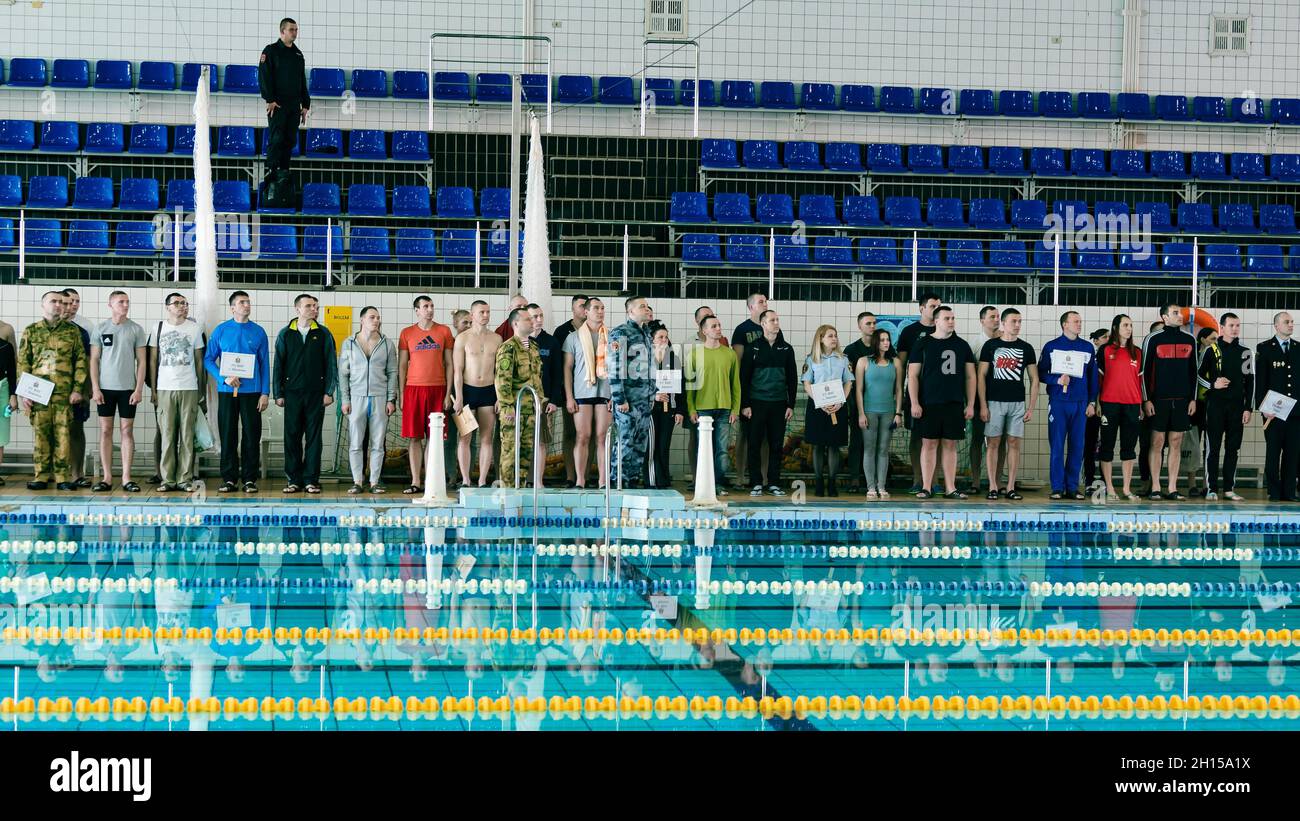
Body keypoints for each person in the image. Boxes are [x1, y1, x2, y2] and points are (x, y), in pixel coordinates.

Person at [18, 292, 86, 491]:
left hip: (64, 395)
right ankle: (41, 475)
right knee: (41, 436)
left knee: (63, 436)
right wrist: (24, 392)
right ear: (43, 305)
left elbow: (80, 361)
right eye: (53, 301)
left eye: (60, 302)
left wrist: (77, 389)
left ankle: (62, 477)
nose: (58, 305)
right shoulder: (31, 331)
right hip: (38, 394)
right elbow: (23, 363)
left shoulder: (72, 332)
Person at [204, 291, 270, 494]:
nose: (246, 305)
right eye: (242, 302)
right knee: (228, 434)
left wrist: (265, 392)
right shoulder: (221, 330)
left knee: (251, 435)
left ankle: (250, 478)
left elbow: (264, 364)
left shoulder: (258, 332)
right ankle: (229, 478)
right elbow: (208, 359)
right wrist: (223, 378)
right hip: (227, 391)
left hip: (252, 392)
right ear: (232, 307)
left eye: (248, 302)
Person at [907, 306, 974, 499]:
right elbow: (912, 375)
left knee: (950, 444)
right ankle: (926, 486)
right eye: (947, 318)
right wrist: (914, 402)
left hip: (953, 402)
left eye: (953, 318)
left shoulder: (962, 345)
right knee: (928, 444)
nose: (951, 321)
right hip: (929, 402)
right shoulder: (923, 344)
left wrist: (970, 404)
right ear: (936, 321)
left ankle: (950, 487)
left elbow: (970, 377)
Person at [272, 294, 336, 494]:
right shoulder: (285, 333)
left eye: (316, 306)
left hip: (316, 394)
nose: (314, 309)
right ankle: (293, 479)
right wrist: (278, 393)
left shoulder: (324, 333)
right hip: (291, 394)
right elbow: (278, 365)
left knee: (314, 438)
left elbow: (331, 365)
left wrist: (329, 391)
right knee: (291, 437)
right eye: (309, 306)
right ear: (297, 309)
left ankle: (311, 480)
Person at [87, 291, 147, 493]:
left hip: (127, 389)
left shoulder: (136, 329)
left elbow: (142, 362)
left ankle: (127, 477)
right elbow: (94, 360)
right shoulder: (101, 328)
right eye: (121, 301)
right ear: (110, 304)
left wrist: (138, 389)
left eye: (127, 301)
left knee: (126, 431)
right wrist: (95, 387)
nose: (125, 304)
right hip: (104, 388)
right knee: (105, 430)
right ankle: (107, 477)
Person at [977, 308, 1039, 501]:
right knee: (993, 444)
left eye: (1020, 321)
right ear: (1003, 323)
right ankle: (993, 486)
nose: (1018, 325)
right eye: (1014, 321)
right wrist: (983, 405)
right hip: (994, 402)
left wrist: (1030, 407)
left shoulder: (1026, 348)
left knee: (1014, 444)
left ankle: (1011, 486)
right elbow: (981, 376)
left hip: (1017, 403)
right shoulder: (991, 345)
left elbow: (1034, 379)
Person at [147, 292, 206, 492]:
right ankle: (167, 479)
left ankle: (184, 479)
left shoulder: (195, 328)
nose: (181, 306)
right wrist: (154, 389)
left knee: (187, 436)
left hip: (189, 387)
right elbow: (153, 360)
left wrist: (201, 389)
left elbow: (199, 361)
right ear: (168, 307)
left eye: (184, 303)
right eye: (177, 303)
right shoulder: (158, 328)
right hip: (165, 388)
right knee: (167, 435)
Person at [1039, 311, 1099, 500]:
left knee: (1077, 446)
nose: (1079, 324)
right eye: (1075, 321)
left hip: (1080, 404)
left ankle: (1072, 487)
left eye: (1080, 321)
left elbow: (1093, 378)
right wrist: (1056, 380)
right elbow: (1040, 374)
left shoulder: (1087, 347)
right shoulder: (1052, 346)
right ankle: (1057, 487)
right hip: (1058, 403)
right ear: (1065, 324)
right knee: (1057, 445)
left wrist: (1091, 402)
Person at [1141, 303, 1198, 500]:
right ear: (1164, 317)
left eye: (1180, 313)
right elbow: (1143, 373)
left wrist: (1193, 399)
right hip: (1158, 400)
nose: (1179, 316)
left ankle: (1172, 487)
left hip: (1182, 400)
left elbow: (1194, 372)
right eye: (1175, 313)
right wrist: (1146, 399)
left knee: (1176, 441)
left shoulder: (1190, 339)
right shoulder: (1152, 339)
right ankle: (1156, 486)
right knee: (1157, 442)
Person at [398, 295, 454, 494]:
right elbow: (402, 365)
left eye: (431, 306)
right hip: (413, 389)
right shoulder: (407, 333)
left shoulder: (444, 331)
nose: (430, 309)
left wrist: (448, 393)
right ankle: (415, 481)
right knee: (414, 437)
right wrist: (402, 393)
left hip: (438, 388)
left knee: (434, 437)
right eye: (425, 306)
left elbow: (450, 364)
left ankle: (431, 479)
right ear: (417, 310)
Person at [339, 306, 397, 494]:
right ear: (362, 320)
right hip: (356, 398)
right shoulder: (349, 343)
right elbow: (343, 374)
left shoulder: (387, 344)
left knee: (378, 443)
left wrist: (391, 399)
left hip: (379, 397)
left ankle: (374, 481)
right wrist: (345, 399)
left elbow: (392, 373)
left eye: (378, 317)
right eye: (372, 317)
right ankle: (357, 481)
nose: (376, 320)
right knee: (355, 442)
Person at [740, 309, 796, 497]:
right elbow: (744, 378)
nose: (776, 323)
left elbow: (792, 379)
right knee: (754, 444)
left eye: (777, 320)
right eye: (772, 320)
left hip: (779, 403)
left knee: (776, 445)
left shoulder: (787, 348)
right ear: (763, 324)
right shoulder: (753, 347)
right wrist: (745, 404)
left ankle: (773, 482)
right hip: (756, 403)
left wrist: (791, 405)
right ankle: (756, 482)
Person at [1199, 312, 1253, 501]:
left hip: (1237, 408)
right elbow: (1198, 376)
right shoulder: (1211, 350)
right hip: (1215, 407)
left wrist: (1248, 408)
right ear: (1221, 328)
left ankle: (1229, 488)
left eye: (1237, 325)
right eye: (1231, 325)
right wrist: (1213, 384)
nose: (1235, 329)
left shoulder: (1245, 352)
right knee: (1212, 449)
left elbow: (1249, 381)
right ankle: (1211, 488)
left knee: (1233, 449)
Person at [686, 315, 740, 494]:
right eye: (713, 326)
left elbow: (735, 384)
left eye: (719, 325)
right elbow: (690, 386)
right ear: (704, 331)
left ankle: (718, 483)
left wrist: (735, 409)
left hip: (724, 408)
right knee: (704, 449)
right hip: (703, 408)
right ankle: (704, 484)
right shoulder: (695, 354)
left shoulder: (729, 354)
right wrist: (692, 408)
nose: (718, 328)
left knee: (722, 450)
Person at [259, 18, 310, 205]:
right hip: (277, 105)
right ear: (282, 32)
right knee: (276, 139)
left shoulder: (298, 55)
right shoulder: (270, 51)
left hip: (293, 106)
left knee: (289, 140)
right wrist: (269, 99)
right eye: (291, 30)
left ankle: (284, 174)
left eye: (296, 29)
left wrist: (306, 105)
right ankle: (272, 175)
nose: (295, 33)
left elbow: (301, 82)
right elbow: (264, 76)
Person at [563, 297, 612, 489]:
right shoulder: (573, 337)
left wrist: (616, 395)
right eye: (596, 308)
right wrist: (569, 396)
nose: (600, 312)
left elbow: (617, 369)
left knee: (602, 436)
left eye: (602, 308)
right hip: (582, 392)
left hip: (605, 392)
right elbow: (567, 368)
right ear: (586, 312)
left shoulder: (612, 336)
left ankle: (602, 480)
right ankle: (580, 479)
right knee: (583, 436)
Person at [496, 308, 548, 487]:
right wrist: (507, 407)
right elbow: (503, 381)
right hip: (514, 410)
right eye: (527, 319)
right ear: (516, 324)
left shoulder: (533, 347)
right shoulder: (508, 348)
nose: (532, 322)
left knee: (526, 451)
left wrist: (541, 402)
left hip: (531, 409)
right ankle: (507, 491)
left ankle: (521, 486)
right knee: (511, 451)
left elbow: (537, 378)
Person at [453, 300, 502, 487]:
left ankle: (482, 480)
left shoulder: (496, 339)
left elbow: (499, 372)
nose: (486, 315)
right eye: (482, 312)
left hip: (489, 391)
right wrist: (458, 397)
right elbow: (458, 370)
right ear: (472, 315)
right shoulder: (462, 339)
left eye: (488, 312)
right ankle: (465, 479)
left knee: (486, 438)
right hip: (467, 390)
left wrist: (499, 397)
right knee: (465, 438)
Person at [608, 296, 656, 488]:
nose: (646, 309)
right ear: (630, 311)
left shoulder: (646, 333)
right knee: (624, 444)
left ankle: (632, 483)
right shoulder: (620, 333)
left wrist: (652, 394)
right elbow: (615, 367)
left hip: (644, 400)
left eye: (646, 306)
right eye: (641, 306)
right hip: (628, 401)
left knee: (639, 447)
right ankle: (617, 483)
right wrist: (619, 398)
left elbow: (650, 368)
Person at [802, 324, 853, 497]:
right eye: (830, 336)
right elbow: (807, 383)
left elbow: (848, 381)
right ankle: (818, 482)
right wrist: (819, 400)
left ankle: (832, 482)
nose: (834, 339)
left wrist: (841, 401)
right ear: (821, 338)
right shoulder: (812, 359)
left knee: (834, 445)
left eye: (836, 335)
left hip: (837, 406)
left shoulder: (843, 359)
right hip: (818, 407)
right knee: (817, 445)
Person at [897, 292, 941, 492]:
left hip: (938, 393)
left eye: (938, 306)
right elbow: (902, 365)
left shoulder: (946, 330)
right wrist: (899, 392)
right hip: (916, 392)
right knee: (917, 437)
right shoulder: (909, 332)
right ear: (922, 308)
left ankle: (935, 481)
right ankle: (917, 479)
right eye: (932, 306)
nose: (936, 309)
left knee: (938, 438)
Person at [1097, 314, 1143, 500]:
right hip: (1109, 404)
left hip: (1132, 405)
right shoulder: (1105, 350)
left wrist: (1140, 404)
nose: (1129, 328)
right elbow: (1098, 379)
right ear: (1116, 327)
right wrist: (1097, 402)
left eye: (1131, 325)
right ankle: (1110, 487)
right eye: (1125, 325)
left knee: (1129, 448)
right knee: (1107, 446)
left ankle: (1126, 488)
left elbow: (1140, 381)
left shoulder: (1137, 352)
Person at [1255, 312, 1300, 502]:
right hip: (1272, 412)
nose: (1291, 325)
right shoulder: (1265, 348)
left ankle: (1289, 491)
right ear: (1276, 326)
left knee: (1292, 454)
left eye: (1292, 322)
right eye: (1286, 322)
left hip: (1296, 413)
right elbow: (1261, 381)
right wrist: (1263, 408)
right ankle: (1274, 491)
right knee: (1273, 453)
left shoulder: (1298, 348)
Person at [855, 328, 903, 499]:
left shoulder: (895, 362)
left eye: (888, 339)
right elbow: (858, 390)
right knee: (869, 448)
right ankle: (870, 487)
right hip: (869, 410)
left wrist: (898, 413)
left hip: (888, 411)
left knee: (883, 449)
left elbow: (898, 390)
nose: (886, 342)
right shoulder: (863, 362)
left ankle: (881, 486)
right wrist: (861, 413)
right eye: (882, 339)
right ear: (876, 342)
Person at [732, 291, 769, 486]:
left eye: (766, 301)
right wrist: (739, 392)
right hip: (748, 389)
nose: (765, 304)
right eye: (761, 301)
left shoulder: (771, 327)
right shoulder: (742, 330)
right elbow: (737, 362)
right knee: (744, 435)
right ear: (751, 307)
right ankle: (739, 476)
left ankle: (763, 477)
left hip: (765, 391)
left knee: (764, 436)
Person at [552, 295, 588, 486]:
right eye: (581, 306)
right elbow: (560, 367)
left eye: (586, 306)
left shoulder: (598, 332)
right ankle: (570, 476)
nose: (584, 309)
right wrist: (565, 395)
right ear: (573, 309)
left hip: (591, 392)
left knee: (587, 435)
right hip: (571, 392)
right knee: (570, 434)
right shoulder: (562, 332)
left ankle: (586, 476)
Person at [60, 288, 92, 488]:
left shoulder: (83, 329)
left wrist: (87, 388)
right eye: (69, 301)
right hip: (52, 391)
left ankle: (77, 473)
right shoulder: (43, 329)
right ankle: (55, 473)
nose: (73, 305)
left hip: (76, 387)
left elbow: (89, 361)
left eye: (76, 301)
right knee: (53, 432)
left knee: (76, 429)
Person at [967, 305, 1001, 493]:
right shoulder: (975, 344)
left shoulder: (1007, 340)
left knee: (1000, 441)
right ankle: (975, 481)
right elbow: (970, 376)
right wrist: (971, 402)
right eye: (991, 317)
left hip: (1002, 397)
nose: (996, 319)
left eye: (997, 316)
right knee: (978, 439)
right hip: (981, 399)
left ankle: (996, 481)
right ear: (982, 321)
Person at [648, 324, 685, 489]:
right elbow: (638, 386)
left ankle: (663, 480)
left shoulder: (673, 360)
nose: (664, 340)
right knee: (651, 446)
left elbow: (681, 388)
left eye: (666, 337)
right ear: (652, 340)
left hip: (668, 410)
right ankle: (651, 480)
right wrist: (653, 396)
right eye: (660, 337)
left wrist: (679, 410)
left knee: (663, 445)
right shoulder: (644, 360)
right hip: (649, 410)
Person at [528, 303, 563, 478]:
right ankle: (523, 478)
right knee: (523, 441)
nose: (539, 320)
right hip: (524, 401)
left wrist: (554, 400)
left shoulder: (551, 342)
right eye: (535, 317)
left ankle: (538, 479)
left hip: (544, 400)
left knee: (542, 441)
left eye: (541, 316)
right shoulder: (519, 342)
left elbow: (557, 374)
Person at [843, 311, 876, 491]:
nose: (872, 326)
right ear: (859, 326)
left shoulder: (883, 347)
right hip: (858, 403)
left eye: (874, 323)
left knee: (876, 443)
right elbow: (848, 379)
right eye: (868, 323)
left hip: (879, 402)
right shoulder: (852, 350)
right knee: (856, 441)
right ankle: (854, 478)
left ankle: (873, 478)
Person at [684, 305, 714, 479]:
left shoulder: (722, 341)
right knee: (695, 438)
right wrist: (689, 405)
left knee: (715, 441)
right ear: (697, 322)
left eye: (710, 316)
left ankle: (714, 479)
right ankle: (696, 478)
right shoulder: (689, 344)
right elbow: (685, 376)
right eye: (704, 317)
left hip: (716, 399)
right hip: (697, 398)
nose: (708, 318)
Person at [1083, 328, 1110, 489]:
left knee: (1106, 444)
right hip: (1093, 406)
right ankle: (1089, 479)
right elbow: (1095, 384)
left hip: (1109, 404)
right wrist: (1096, 403)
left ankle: (1105, 481)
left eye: (1109, 337)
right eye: (1104, 337)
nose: (1108, 339)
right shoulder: (1092, 359)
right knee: (1090, 444)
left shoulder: (1111, 357)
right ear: (1096, 341)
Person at [0, 325, 15, 485]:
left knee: (0, 434)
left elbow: (12, 369)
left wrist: (13, 395)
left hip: (2, 387)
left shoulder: (6, 342)